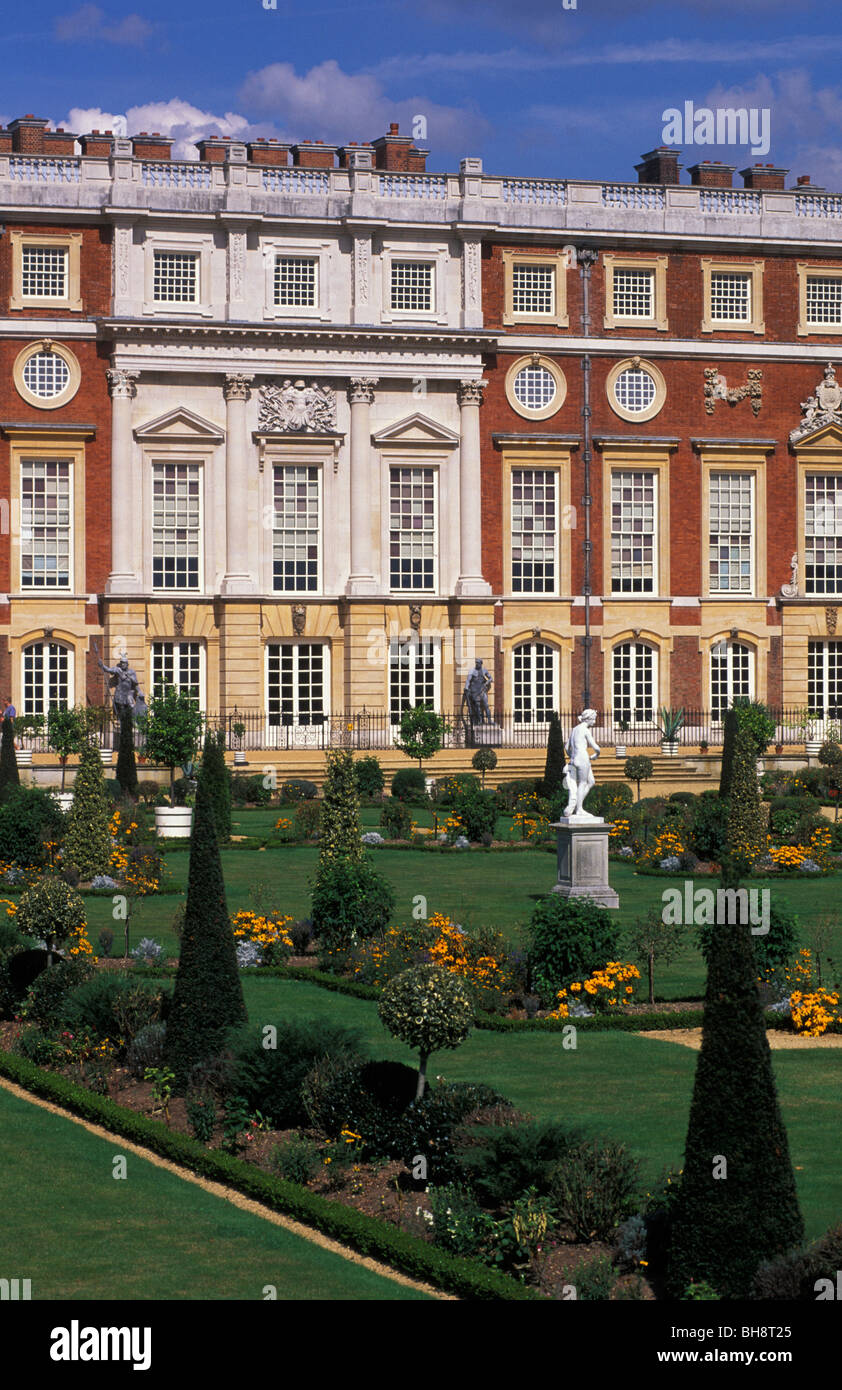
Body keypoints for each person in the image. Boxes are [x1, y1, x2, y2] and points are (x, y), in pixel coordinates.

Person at [563, 709, 601, 818]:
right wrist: (596, 755)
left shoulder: (575, 729)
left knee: (591, 782)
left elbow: (566, 747)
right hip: (583, 758)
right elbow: (596, 748)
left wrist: (573, 756)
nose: (594, 722)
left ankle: (575, 805)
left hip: (574, 759)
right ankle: (579, 809)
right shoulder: (585, 730)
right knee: (582, 783)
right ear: (588, 719)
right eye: (593, 719)